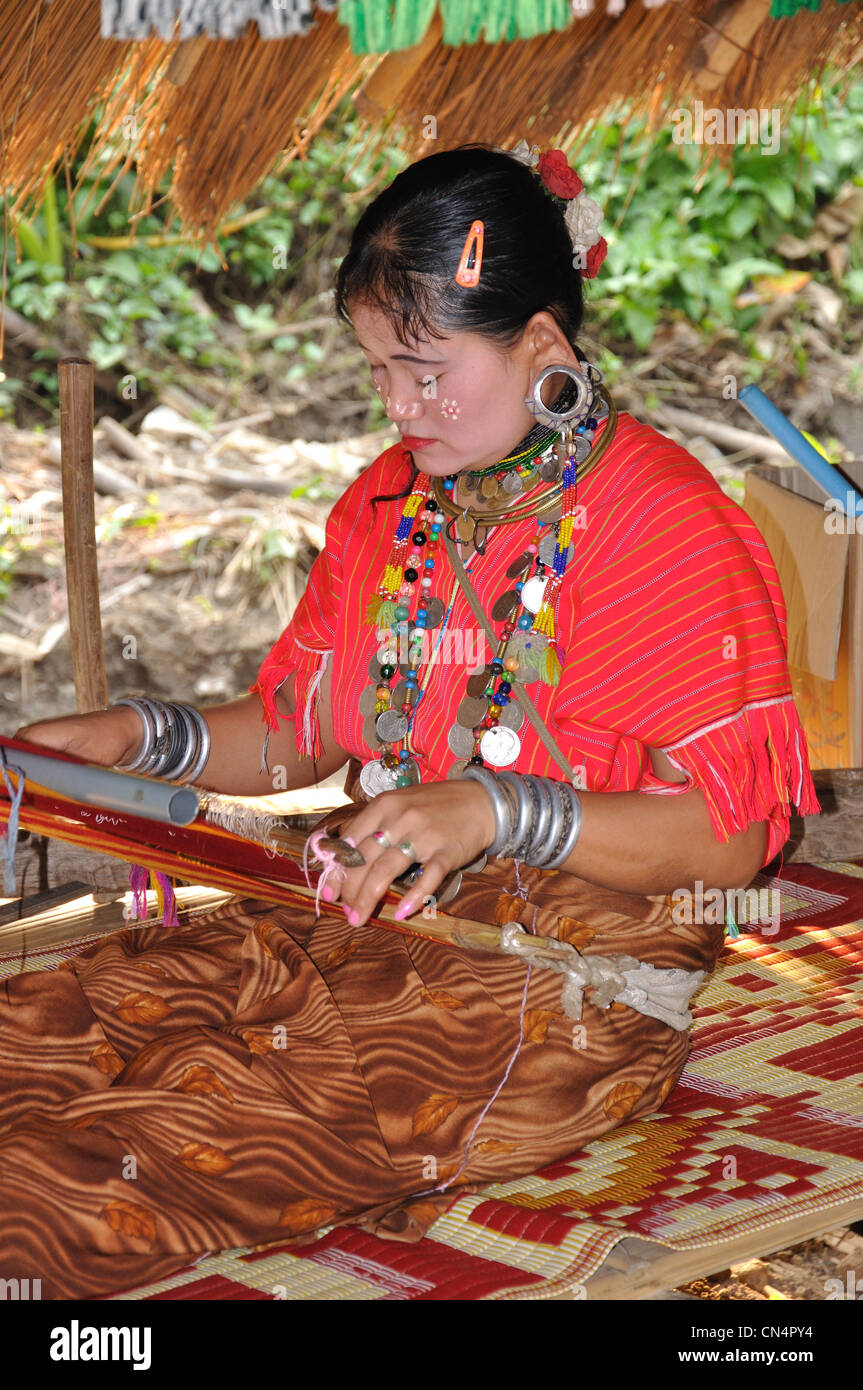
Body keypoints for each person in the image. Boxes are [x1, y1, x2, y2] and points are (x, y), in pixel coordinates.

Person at [3, 145, 818, 1300]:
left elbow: (725, 843)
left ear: (540, 346)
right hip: (357, 916)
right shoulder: (393, 503)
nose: (396, 404)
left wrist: (495, 809)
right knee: (43, 1021)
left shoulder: (663, 528)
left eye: (425, 369)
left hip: (550, 985)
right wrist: (140, 737)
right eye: (378, 367)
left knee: (98, 1165)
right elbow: (303, 726)